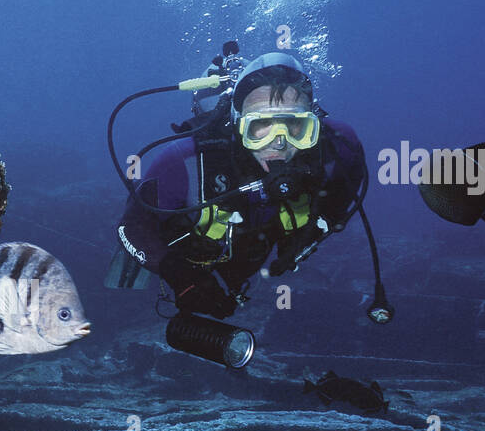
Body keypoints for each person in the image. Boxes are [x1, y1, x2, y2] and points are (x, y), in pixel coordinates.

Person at [116, 50, 367, 319]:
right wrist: (178, 274)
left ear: (313, 126)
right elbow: (130, 227)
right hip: (191, 249)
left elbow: (348, 182)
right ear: (238, 126)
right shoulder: (181, 162)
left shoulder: (340, 145)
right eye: (260, 127)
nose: (278, 144)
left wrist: (314, 232)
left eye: (295, 126)